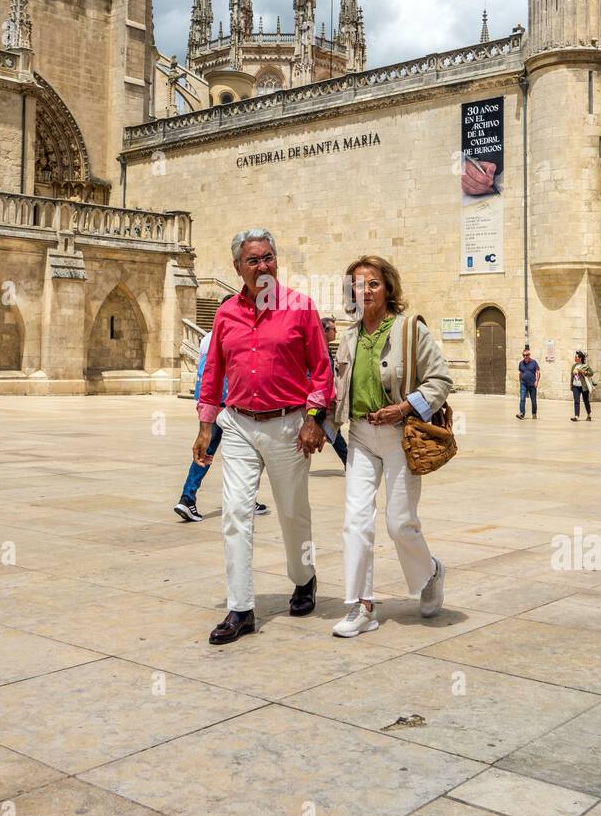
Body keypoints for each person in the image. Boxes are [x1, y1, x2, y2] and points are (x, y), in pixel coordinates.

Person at [193, 229, 334, 645]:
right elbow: (213, 372)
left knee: (293, 512)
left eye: (269, 257)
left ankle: (303, 579)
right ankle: (241, 608)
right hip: (237, 424)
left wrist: (314, 418)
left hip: (288, 425)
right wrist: (205, 426)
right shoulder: (225, 315)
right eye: (253, 260)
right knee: (236, 512)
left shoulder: (300, 308)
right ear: (238, 268)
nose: (264, 266)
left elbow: (322, 371)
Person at [329, 255, 452, 637]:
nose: (364, 291)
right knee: (355, 520)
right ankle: (362, 605)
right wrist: (319, 424)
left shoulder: (409, 330)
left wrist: (403, 406)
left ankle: (430, 571)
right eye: (357, 285)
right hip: (362, 436)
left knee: (399, 522)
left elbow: (440, 380)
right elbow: (338, 390)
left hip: (402, 433)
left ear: (388, 289)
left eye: (372, 284)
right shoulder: (348, 338)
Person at [174, 325, 269, 522]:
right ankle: (247, 499)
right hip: (233, 404)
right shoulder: (237, 334)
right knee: (249, 454)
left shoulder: (207, 338)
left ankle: (187, 497)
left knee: (206, 453)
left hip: (212, 404)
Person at [319, 317, 349, 466]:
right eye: (333, 329)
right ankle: (349, 462)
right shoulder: (318, 350)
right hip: (321, 402)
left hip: (328, 400)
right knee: (333, 432)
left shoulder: (326, 350)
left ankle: (348, 462)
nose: (336, 332)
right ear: (325, 331)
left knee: (334, 431)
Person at [516, 345, 540, 419]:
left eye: (526, 355)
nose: (525, 356)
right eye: (524, 355)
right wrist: (520, 381)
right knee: (522, 399)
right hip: (524, 384)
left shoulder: (534, 362)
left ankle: (534, 413)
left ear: (529, 355)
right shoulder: (521, 363)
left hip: (532, 384)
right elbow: (520, 373)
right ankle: (522, 413)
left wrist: (536, 381)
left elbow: (538, 372)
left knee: (533, 400)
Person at [570, 349, 593, 421]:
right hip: (575, 386)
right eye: (575, 356)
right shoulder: (574, 366)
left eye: (576, 357)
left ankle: (589, 414)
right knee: (576, 401)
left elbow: (591, 373)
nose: (575, 358)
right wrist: (571, 385)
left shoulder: (585, 366)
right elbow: (572, 376)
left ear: (580, 358)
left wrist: (583, 371)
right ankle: (576, 416)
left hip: (584, 386)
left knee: (586, 401)